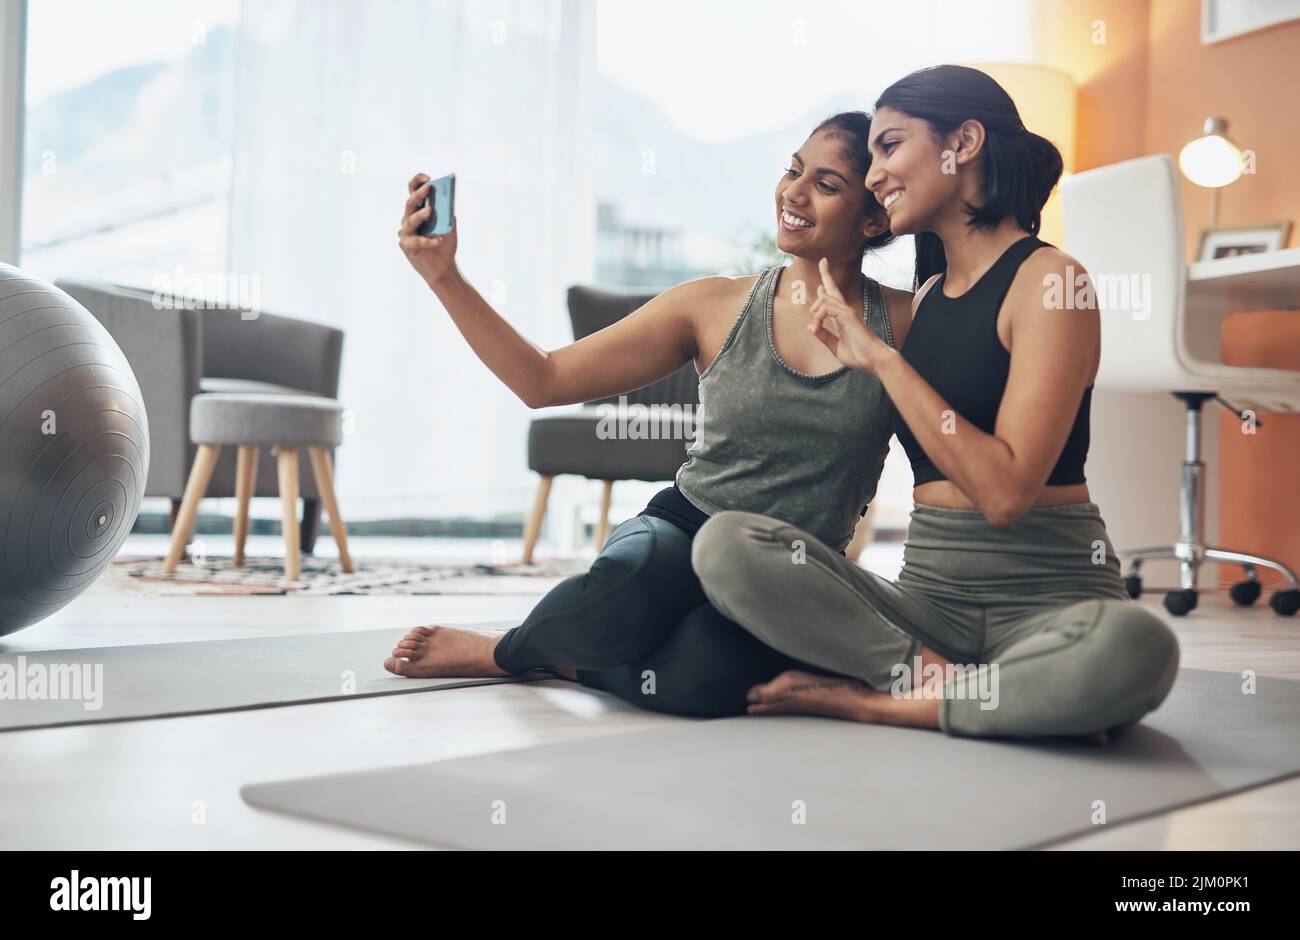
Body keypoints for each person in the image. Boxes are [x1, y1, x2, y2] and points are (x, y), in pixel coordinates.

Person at [690, 66, 1180, 739]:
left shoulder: (1051, 282)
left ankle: (881, 700)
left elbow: (1005, 493)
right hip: (926, 604)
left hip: (1050, 598)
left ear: (966, 142)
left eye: (889, 146)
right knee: (726, 545)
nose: (875, 175)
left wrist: (880, 359)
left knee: (1138, 649)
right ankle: (950, 682)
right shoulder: (922, 300)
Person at [388, 113, 913, 716]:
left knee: (702, 678)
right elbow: (543, 379)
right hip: (683, 529)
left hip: (790, 573)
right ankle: (509, 650)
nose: (793, 193)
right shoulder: (713, 305)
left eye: (825, 184)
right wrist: (444, 274)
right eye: (792, 171)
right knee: (626, 588)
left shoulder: (905, 325)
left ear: (873, 218)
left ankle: (564, 657)